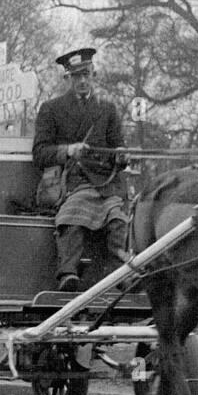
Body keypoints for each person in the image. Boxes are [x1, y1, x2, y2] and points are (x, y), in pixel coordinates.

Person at [32, 47, 131, 292]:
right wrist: (68, 150)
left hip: (106, 184)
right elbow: (40, 153)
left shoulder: (107, 110)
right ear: (67, 78)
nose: (83, 81)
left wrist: (121, 156)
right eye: (77, 76)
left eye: (86, 74)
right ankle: (68, 274)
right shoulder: (50, 109)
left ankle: (116, 274)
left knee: (118, 219)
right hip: (73, 182)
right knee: (72, 217)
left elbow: (118, 147)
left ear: (94, 75)